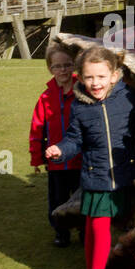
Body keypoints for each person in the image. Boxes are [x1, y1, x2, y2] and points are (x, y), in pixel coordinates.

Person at [44, 45, 135, 269]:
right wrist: (60, 150)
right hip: (97, 174)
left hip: (126, 171)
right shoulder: (80, 106)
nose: (95, 83)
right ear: (81, 78)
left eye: (101, 77)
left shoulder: (128, 96)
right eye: (89, 77)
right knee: (96, 225)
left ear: (114, 76)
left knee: (103, 226)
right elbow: (75, 139)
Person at [29, 40, 83, 248]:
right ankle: (61, 233)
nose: (62, 70)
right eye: (57, 66)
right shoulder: (45, 98)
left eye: (67, 65)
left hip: (80, 159)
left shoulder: (83, 91)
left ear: (75, 65)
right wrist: (36, 158)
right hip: (56, 162)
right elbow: (36, 129)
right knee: (58, 200)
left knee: (82, 198)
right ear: (50, 68)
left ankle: (84, 231)